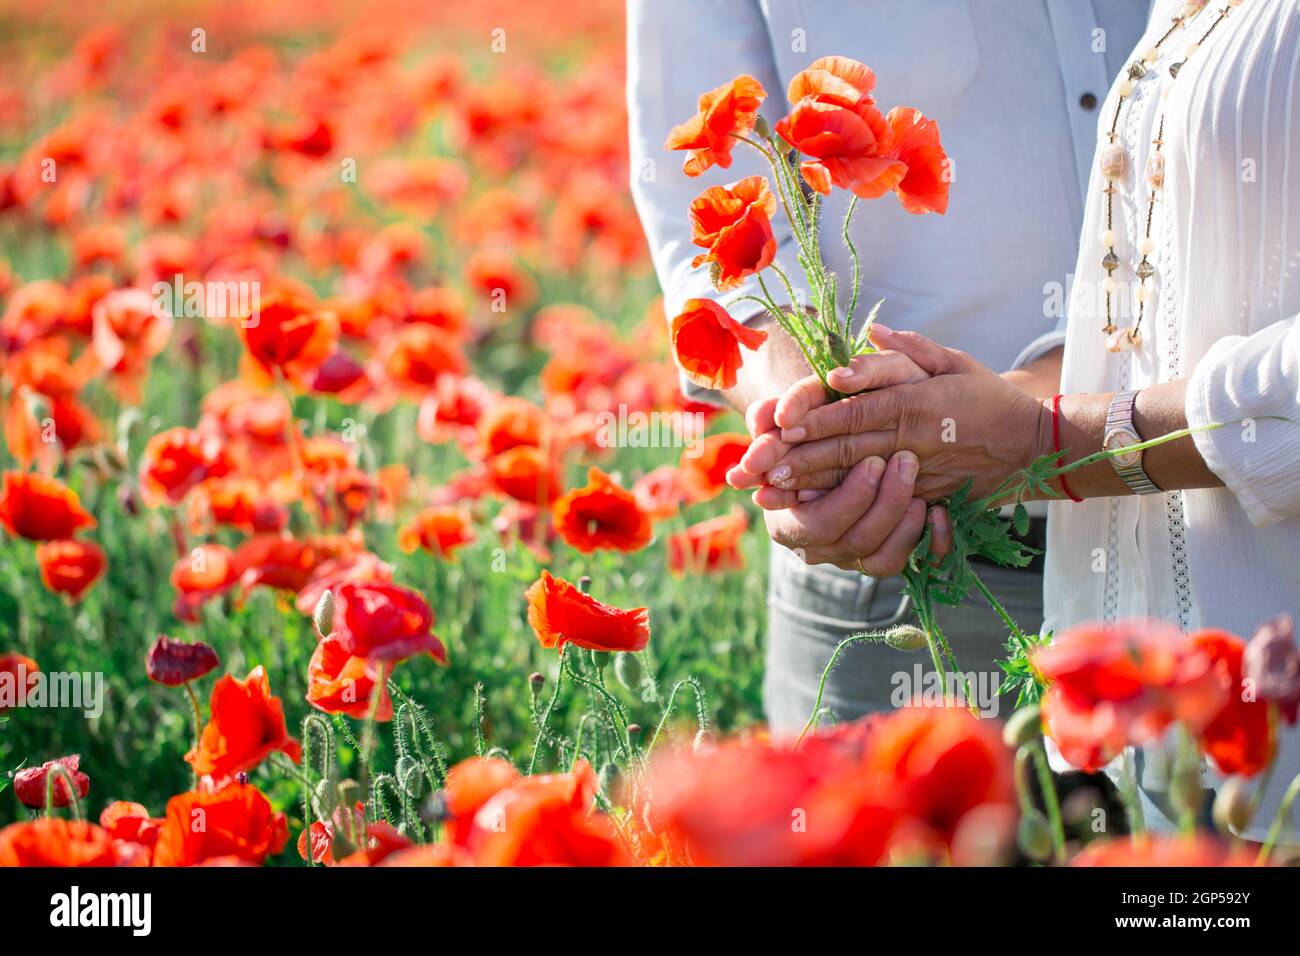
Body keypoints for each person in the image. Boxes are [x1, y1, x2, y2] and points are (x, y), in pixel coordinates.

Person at [758, 0, 1300, 839]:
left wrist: (1045, 442)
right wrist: (871, 424)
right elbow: (1165, 288)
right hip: (1167, 731)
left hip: (1268, 720)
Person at [627, 0, 1148, 730]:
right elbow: (697, 211)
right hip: (903, 550)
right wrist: (813, 421)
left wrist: (1032, 423)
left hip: (1227, 521)